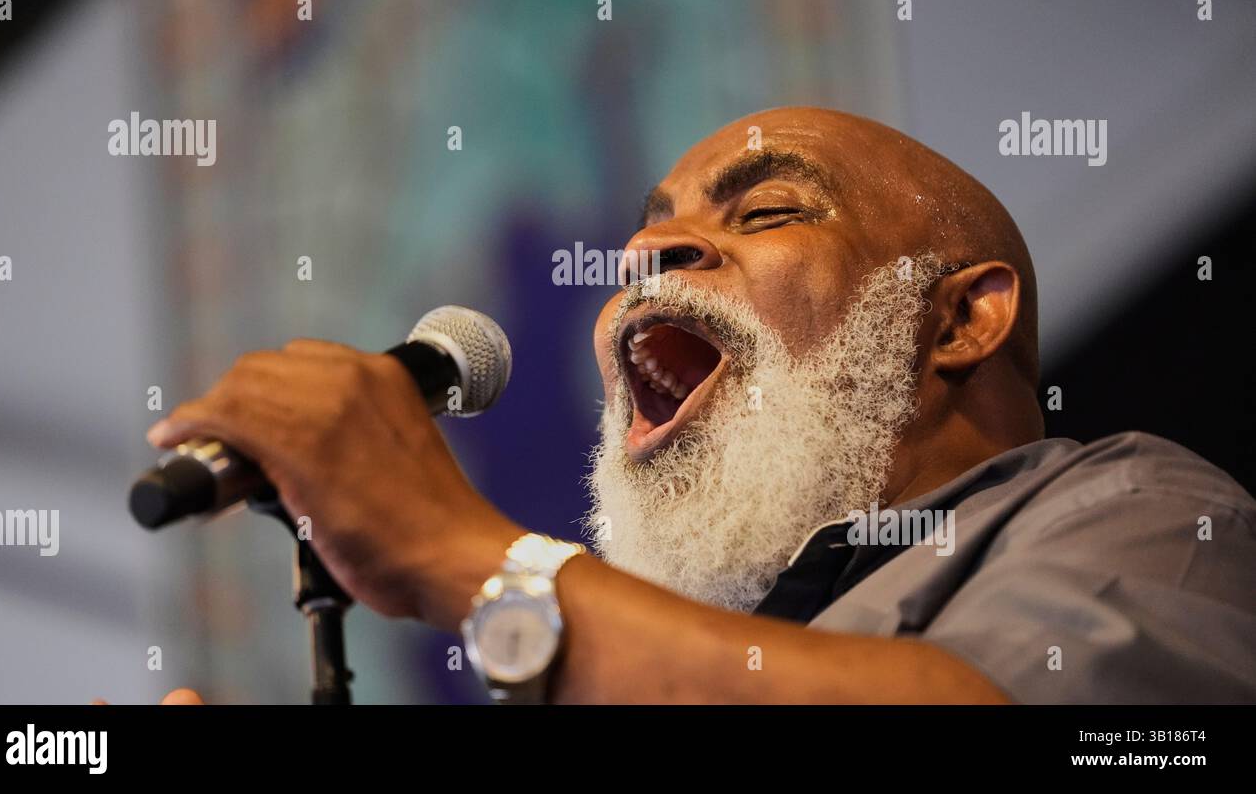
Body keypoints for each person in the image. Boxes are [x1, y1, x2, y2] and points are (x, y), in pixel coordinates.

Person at [144, 107, 1256, 703]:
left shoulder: (1146, 511)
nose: (643, 250)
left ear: (962, 320)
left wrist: (460, 551)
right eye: (648, 226)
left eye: (766, 212)